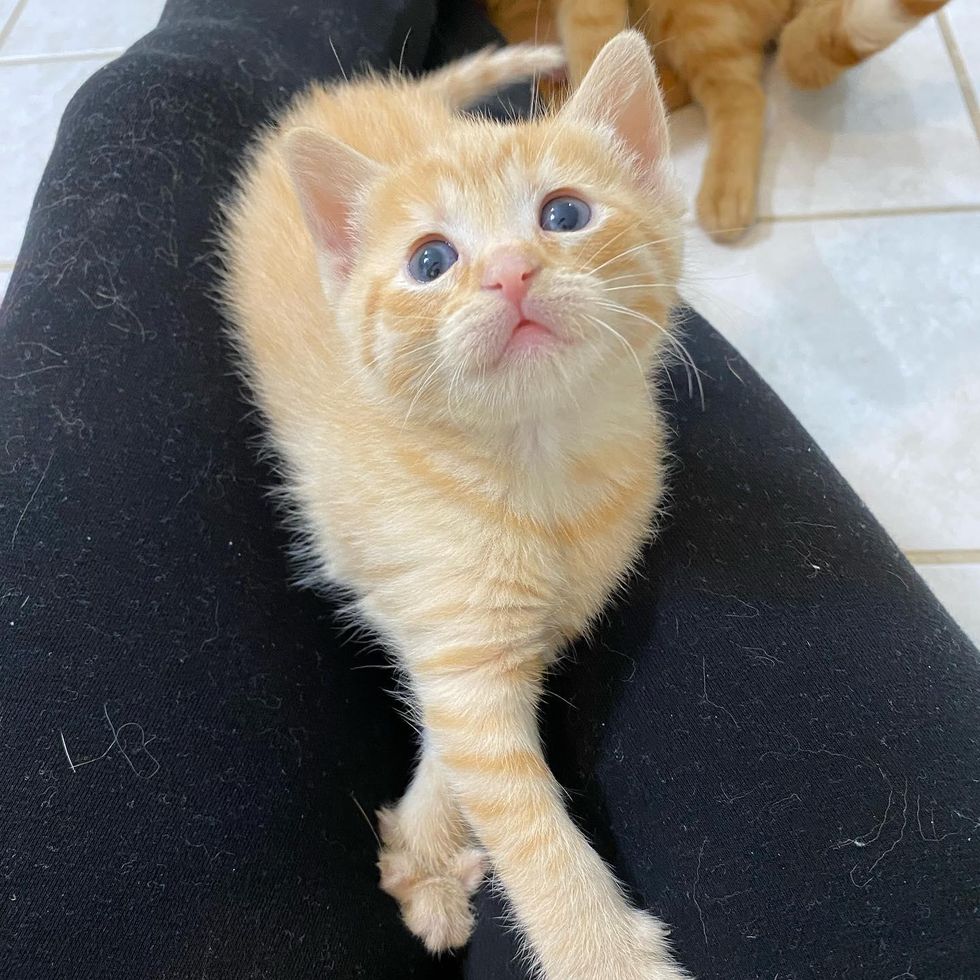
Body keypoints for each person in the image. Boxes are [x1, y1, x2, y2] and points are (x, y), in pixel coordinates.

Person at [1, 1, 976, 977]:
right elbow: (472, 686)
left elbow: (474, 682)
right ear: (346, 270)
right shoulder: (420, 465)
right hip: (357, 295)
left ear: (645, 180)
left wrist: (444, 787)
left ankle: (442, 48)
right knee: (162, 101)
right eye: (435, 261)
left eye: (560, 213)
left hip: (461, 259)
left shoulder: (624, 465)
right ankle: (449, 46)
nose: (509, 269)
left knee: (161, 98)